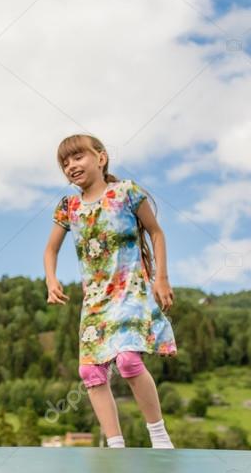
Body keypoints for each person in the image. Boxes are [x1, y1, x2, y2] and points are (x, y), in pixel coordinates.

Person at [43, 134, 177, 449]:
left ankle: (158, 435)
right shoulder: (69, 207)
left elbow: (156, 232)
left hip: (130, 290)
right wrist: (51, 280)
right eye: (65, 162)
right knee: (90, 371)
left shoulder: (126, 193)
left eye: (78, 157)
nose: (71, 165)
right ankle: (116, 445)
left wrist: (161, 278)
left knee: (128, 360)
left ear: (101, 158)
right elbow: (50, 250)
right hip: (95, 301)